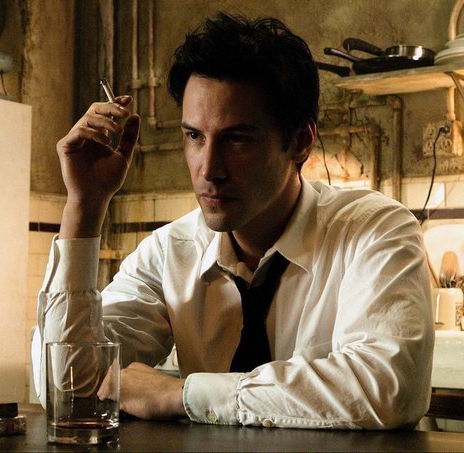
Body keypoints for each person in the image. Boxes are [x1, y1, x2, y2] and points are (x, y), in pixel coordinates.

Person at [32, 12, 434, 429]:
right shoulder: (170, 252)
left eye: (236, 140)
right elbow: (68, 386)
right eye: (194, 136)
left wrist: (182, 395)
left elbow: (387, 390)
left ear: (300, 142)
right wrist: (84, 207)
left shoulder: (375, 230)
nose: (209, 169)